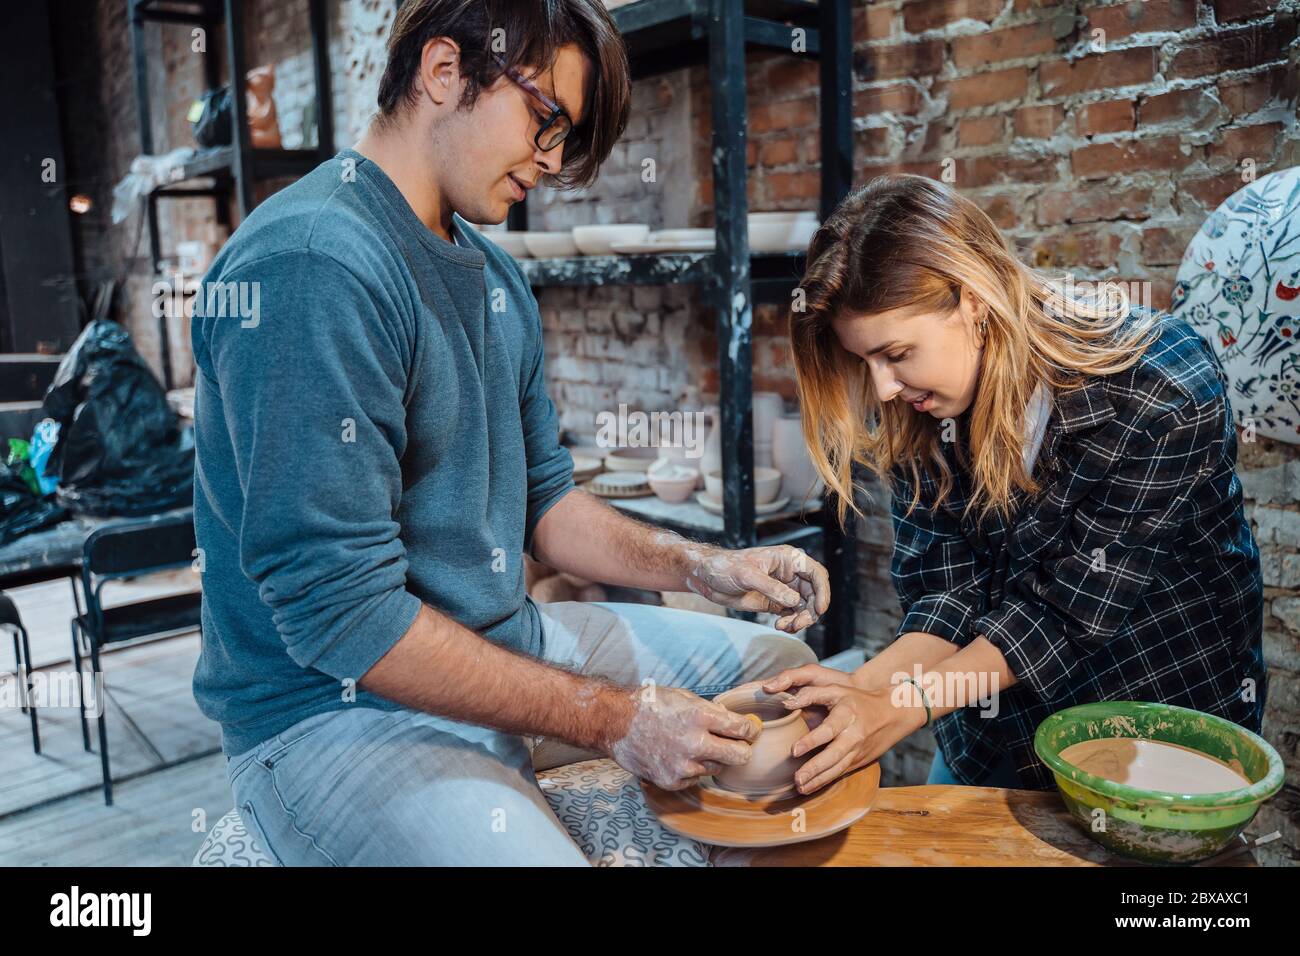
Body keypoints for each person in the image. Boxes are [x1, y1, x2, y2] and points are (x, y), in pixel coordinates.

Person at [191, 0, 826, 865]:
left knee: (786, 679)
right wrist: (615, 720)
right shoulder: (314, 265)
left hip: (503, 641)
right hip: (332, 714)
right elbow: (342, 616)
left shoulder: (492, 273)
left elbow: (545, 502)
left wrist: (705, 568)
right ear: (445, 71)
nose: (553, 160)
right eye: (545, 119)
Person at [766, 174, 1266, 795]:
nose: (882, 389)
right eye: (864, 361)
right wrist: (865, 687)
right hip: (991, 728)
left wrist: (900, 708)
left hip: (1150, 725)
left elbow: (1062, 616)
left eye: (896, 354)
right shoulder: (918, 402)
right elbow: (947, 586)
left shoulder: (1158, 385)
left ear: (974, 301)